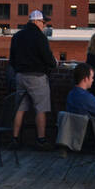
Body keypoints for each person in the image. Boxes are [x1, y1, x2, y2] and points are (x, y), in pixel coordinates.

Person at [9, 10, 57, 150]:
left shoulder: (17, 36)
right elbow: (49, 60)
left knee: (20, 109)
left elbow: (12, 59)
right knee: (40, 109)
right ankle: (41, 141)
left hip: (20, 76)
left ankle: (15, 138)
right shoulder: (40, 37)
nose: (44, 25)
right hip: (37, 77)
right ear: (36, 21)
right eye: (43, 22)